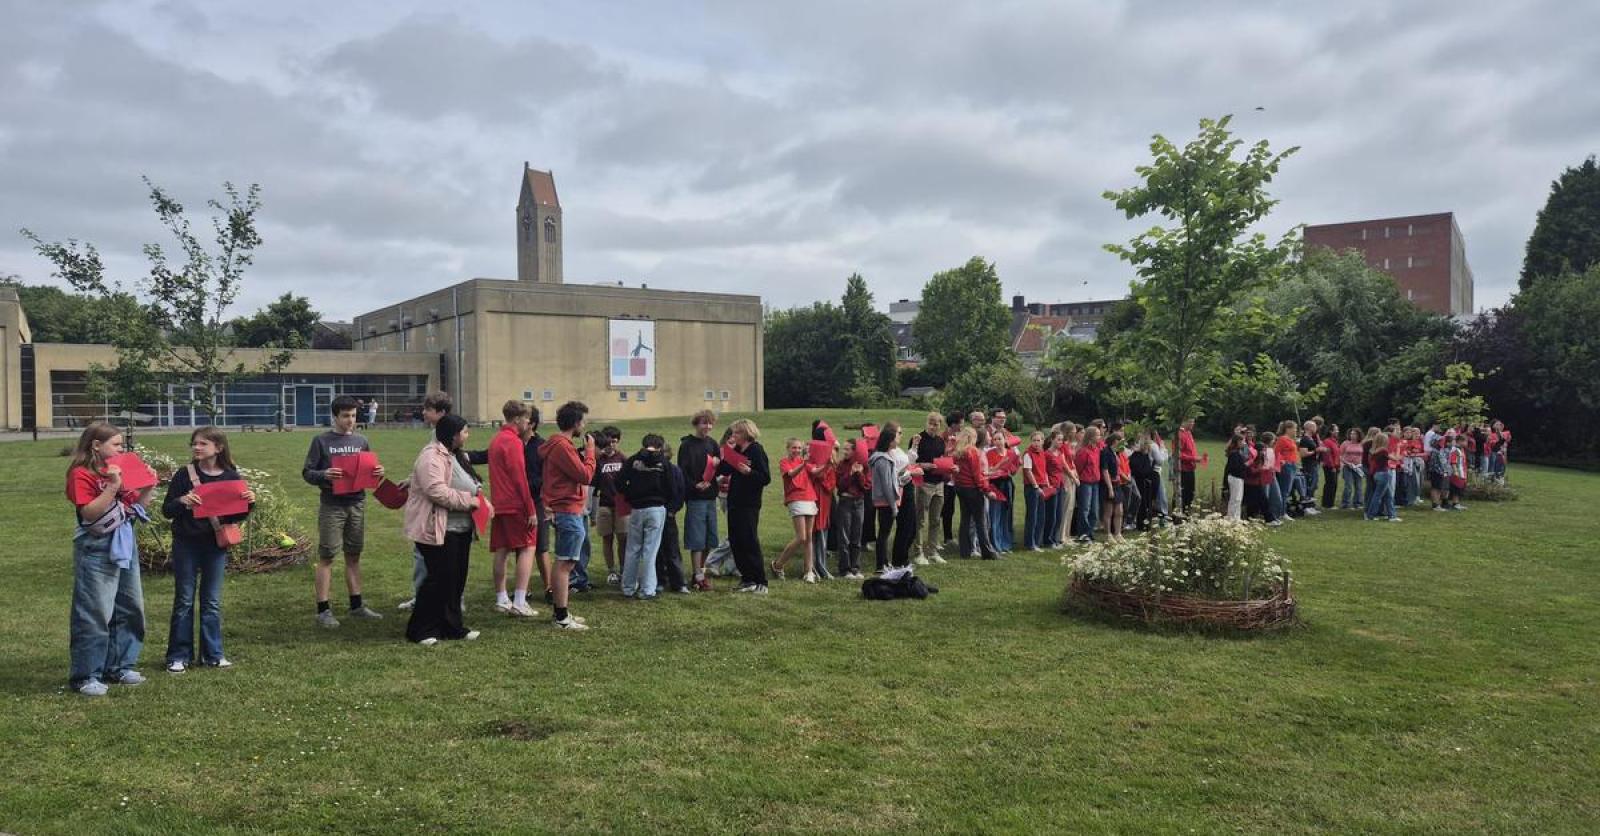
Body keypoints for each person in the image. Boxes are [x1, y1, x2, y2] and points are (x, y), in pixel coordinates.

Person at [66, 422, 157, 696]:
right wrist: (112, 486)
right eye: (116, 444)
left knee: (130, 606)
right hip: (97, 545)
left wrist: (148, 485)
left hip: (123, 541)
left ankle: (119, 666)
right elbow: (89, 514)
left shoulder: (121, 467)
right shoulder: (81, 474)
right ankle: (86, 675)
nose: (121, 449)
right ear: (96, 445)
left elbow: (137, 506)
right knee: (95, 611)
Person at [162, 426, 254, 673]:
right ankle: (178, 655)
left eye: (202, 443)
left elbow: (237, 514)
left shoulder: (231, 477)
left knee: (211, 601)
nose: (196, 447)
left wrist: (249, 502)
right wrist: (183, 501)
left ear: (218, 447)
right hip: (186, 542)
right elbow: (167, 509)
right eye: (194, 443)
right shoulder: (185, 474)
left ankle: (213, 654)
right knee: (184, 599)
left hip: (215, 544)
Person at [301, 394, 385, 628]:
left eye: (354, 416)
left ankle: (357, 605)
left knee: (354, 555)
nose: (350, 420)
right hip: (332, 506)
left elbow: (368, 472)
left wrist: (377, 472)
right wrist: (324, 474)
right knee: (327, 557)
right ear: (335, 416)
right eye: (346, 416)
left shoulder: (361, 440)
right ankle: (323, 610)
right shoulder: (321, 441)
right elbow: (307, 472)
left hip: (357, 503)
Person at [403, 415, 482, 645]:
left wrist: (479, 498)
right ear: (454, 434)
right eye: (465, 432)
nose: (467, 436)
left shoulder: (456, 455)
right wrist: (469, 500)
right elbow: (436, 491)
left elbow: (470, 483)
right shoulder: (431, 457)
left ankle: (452, 627)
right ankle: (421, 630)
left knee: (456, 580)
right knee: (438, 580)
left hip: (460, 528)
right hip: (437, 528)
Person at [539, 401, 597, 629]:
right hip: (568, 510)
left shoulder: (559, 445)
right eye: (583, 420)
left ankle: (560, 612)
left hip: (565, 509)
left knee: (564, 561)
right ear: (575, 423)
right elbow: (585, 475)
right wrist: (591, 453)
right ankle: (561, 617)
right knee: (565, 563)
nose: (584, 425)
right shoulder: (562, 446)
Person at [488, 400, 539, 617]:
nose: (529, 422)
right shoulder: (513, 442)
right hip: (516, 503)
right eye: (527, 418)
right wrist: (531, 509)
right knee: (528, 547)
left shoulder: (496, 439)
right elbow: (520, 478)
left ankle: (502, 597)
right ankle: (519, 600)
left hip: (499, 503)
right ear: (517, 419)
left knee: (502, 550)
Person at [616, 433, 672, 600]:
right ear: (661, 446)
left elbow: (618, 482)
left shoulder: (633, 460)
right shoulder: (663, 462)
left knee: (632, 549)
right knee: (650, 550)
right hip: (656, 508)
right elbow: (671, 484)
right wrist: (664, 499)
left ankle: (628, 587)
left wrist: (629, 494)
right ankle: (647, 589)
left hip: (637, 508)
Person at [720, 418, 771, 594]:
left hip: (749, 503)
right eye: (733, 432)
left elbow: (765, 478)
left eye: (737, 432)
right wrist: (726, 454)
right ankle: (747, 578)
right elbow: (724, 470)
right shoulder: (738, 450)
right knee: (736, 540)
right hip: (734, 501)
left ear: (746, 433)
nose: (733, 435)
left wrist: (749, 472)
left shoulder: (756, 450)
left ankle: (760, 581)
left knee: (749, 540)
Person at [677, 410, 720, 592]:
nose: (707, 427)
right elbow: (682, 472)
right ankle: (698, 574)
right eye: (703, 423)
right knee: (697, 539)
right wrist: (695, 485)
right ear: (696, 424)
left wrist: (718, 468)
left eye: (710, 423)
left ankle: (699, 573)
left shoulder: (713, 444)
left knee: (710, 539)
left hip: (711, 496)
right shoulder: (687, 445)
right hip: (695, 497)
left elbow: (719, 468)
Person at [868, 422, 917, 572]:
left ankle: (884, 563)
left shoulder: (885, 457)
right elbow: (888, 485)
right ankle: (881, 564)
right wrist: (894, 505)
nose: (899, 439)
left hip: (889, 500)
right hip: (886, 501)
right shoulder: (882, 460)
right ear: (889, 441)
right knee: (884, 533)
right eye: (897, 437)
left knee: (886, 532)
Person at [771, 438, 819, 582]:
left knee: (809, 537)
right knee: (801, 537)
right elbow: (791, 474)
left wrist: (828, 463)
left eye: (799, 448)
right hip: (795, 498)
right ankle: (778, 565)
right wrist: (804, 463)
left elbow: (815, 471)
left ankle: (808, 571)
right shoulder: (784, 462)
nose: (797, 450)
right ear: (788, 448)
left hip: (810, 497)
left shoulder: (804, 462)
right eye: (794, 448)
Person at [951, 426, 1000, 559]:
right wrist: (986, 490)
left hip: (960, 488)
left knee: (965, 520)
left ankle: (965, 551)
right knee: (980, 521)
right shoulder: (972, 451)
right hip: (972, 489)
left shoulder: (957, 452)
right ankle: (987, 552)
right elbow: (977, 474)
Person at [592, 426, 627, 586]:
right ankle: (611, 570)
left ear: (618, 442)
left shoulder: (623, 459)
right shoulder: (598, 460)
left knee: (623, 537)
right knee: (607, 538)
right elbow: (593, 484)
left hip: (621, 502)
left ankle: (624, 569)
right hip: (604, 503)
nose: (610, 445)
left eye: (614, 441)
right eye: (608, 441)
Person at [913, 412, 948, 564]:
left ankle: (933, 551)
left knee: (935, 520)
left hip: (939, 484)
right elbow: (911, 462)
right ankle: (918, 552)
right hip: (924, 483)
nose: (934, 426)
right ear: (927, 423)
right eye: (931, 423)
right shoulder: (918, 439)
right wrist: (924, 465)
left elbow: (943, 460)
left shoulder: (941, 441)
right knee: (920, 520)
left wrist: (948, 466)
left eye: (937, 424)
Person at [654, 450, 690, 594]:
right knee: (658, 549)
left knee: (672, 548)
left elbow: (680, 492)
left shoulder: (675, 471)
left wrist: (672, 510)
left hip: (668, 514)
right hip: (657, 511)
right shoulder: (655, 470)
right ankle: (660, 579)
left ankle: (678, 581)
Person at [833, 439, 868, 579]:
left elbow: (865, 486)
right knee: (844, 537)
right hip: (845, 502)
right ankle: (845, 569)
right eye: (844, 449)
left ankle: (855, 567)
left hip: (859, 503)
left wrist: (859, 474)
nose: (844, 452)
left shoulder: (863, 465)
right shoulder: (841, 465)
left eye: (847, 449)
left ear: (855, 451)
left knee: (856, 536)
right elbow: (840, 486)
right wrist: (851, 474)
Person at [810, 437, 839, 581]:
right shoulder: (810, 465)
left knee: (822, 536)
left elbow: (830, 486)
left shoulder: (831, 469)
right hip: (814, 504)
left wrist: (825, 471)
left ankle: (821, 566)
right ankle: (813, 567)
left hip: (824, 506)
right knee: (813, 536)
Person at [1020, 431, 1050, 551]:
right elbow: (1028, 471)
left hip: (1042, 486)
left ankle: (1037, 541)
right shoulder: (1028, 454)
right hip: (1032, 488)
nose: (1036, 443)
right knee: (1032, 516)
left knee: (1040, 515)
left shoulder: (1042, 453)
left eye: (1039, 440)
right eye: (1034, 440)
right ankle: (1030, 543)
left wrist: (1046, 483)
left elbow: (1044, 470)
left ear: (1043, 441)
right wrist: (1036, 486)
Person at [1073, 425, 1103, 543]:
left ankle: (1089, 532)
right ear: (1091, 436)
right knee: (1084, 508)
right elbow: (1079, 467)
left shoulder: (1096, 450)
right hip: (1085, 482)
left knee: (1094, 510)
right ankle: (1083, 533)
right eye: (1097, 434)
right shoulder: (1083, 451)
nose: (1099, 436)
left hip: (1095, 482)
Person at [1364, 431, 1401, 522]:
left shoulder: (1372, 451)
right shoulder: (1383, 450)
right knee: (1378, 496)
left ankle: (1392, 515)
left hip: (1376, 474)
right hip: (1383, 474)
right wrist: (1399, 448)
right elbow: (1396, 458)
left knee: (1388, 496)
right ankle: (1370, 515)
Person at [940, 412, 963, 548]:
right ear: (954, 424)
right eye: (961, 422)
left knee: (950, 508)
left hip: (954, 478)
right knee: (940, 510)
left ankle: (947, 537)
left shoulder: (959, 437)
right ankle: (937, 539)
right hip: (943, 478)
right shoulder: (942, 437)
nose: (962, 425)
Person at [1130, 433, 1160, 532]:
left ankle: (1146, 523)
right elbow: (1140, 470)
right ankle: (1141, 524)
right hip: (1140, 481)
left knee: (1147, 503)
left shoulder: (1144, 455)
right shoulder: (1137, 456)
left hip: (1145, 482)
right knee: (1142, 503)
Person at [1297, 421, 1323, 515]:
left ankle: (1311, 505)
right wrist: (1315, 451)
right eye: (1315, 426)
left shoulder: (1311, 439)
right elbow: (1303, 454)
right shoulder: (1305, 439)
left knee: (1313, 485)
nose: (1316, 428)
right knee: (1309, 484)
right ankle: (1306, 507)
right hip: (1308, 465)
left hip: (1314, 464)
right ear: (1310, 428)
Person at [1177, 418, 1200, 515]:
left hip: (1191, 469)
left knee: (1190, 493)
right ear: (1184, 421)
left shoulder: (1189, 433)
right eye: (1190, 421)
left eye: (1193, 421)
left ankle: (1187, 514)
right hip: (1184, 470)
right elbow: (1178, 454)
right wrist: (1193, 458)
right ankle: (1180, 515)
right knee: (1184, 494)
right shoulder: (1180, 434)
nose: (1192, 423)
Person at [1339, 428, 1365, 510]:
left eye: (1354, 434)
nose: (1352, 435)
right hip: (1348, 466)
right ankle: (1345, 503)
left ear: (1358, 435)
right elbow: (1340, 455)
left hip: (1359, 467)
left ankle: (1358, 502)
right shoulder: (1345, 443)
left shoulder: (1362, 444)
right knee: (1348, 485)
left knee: (1359, 485)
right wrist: (1346, 463)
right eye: (1351, 434)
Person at [1224, 431, 1248, 520]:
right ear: (1237, 442)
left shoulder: (1238, 452)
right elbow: (1235, 468)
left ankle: (1236, 517)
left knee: (1237, 499)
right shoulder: (1234, 454)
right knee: (1236, 499)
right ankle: (1232, 518)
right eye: (1242, 441)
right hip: (1235, 478)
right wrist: (1246, 465)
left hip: (1238, 478)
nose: (1244, 443)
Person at [1318, 423, 1341, 510]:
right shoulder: (1327, 441)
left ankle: (1328, 503)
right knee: (1331, 484)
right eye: (1336, 430)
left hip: (1336, 466)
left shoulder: (1335, 441)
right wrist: (1332, 467)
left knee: (1333, 484)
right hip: (1330, 467)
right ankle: (1328, 504)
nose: (1337, 431)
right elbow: (1327, 455)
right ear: (1331, 431)